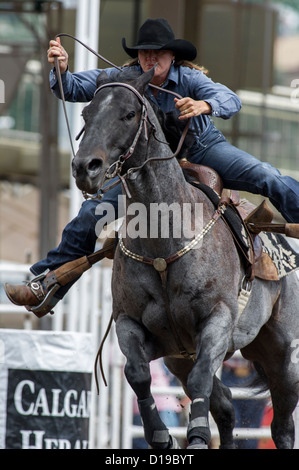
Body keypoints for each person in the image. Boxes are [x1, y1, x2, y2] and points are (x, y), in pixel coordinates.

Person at [5, 18, 299, 316]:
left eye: (158, 52)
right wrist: (62, 69)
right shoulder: (123, 78)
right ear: (138, 56)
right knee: (90, 214)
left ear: (173, 57)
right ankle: (46, 284)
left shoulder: (189, 79)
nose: (150, 57)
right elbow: (72, 86)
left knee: (265, 175)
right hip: (147, 166)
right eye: (145, 52)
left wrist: (205, 106)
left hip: (202, 148)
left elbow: (230, 99)